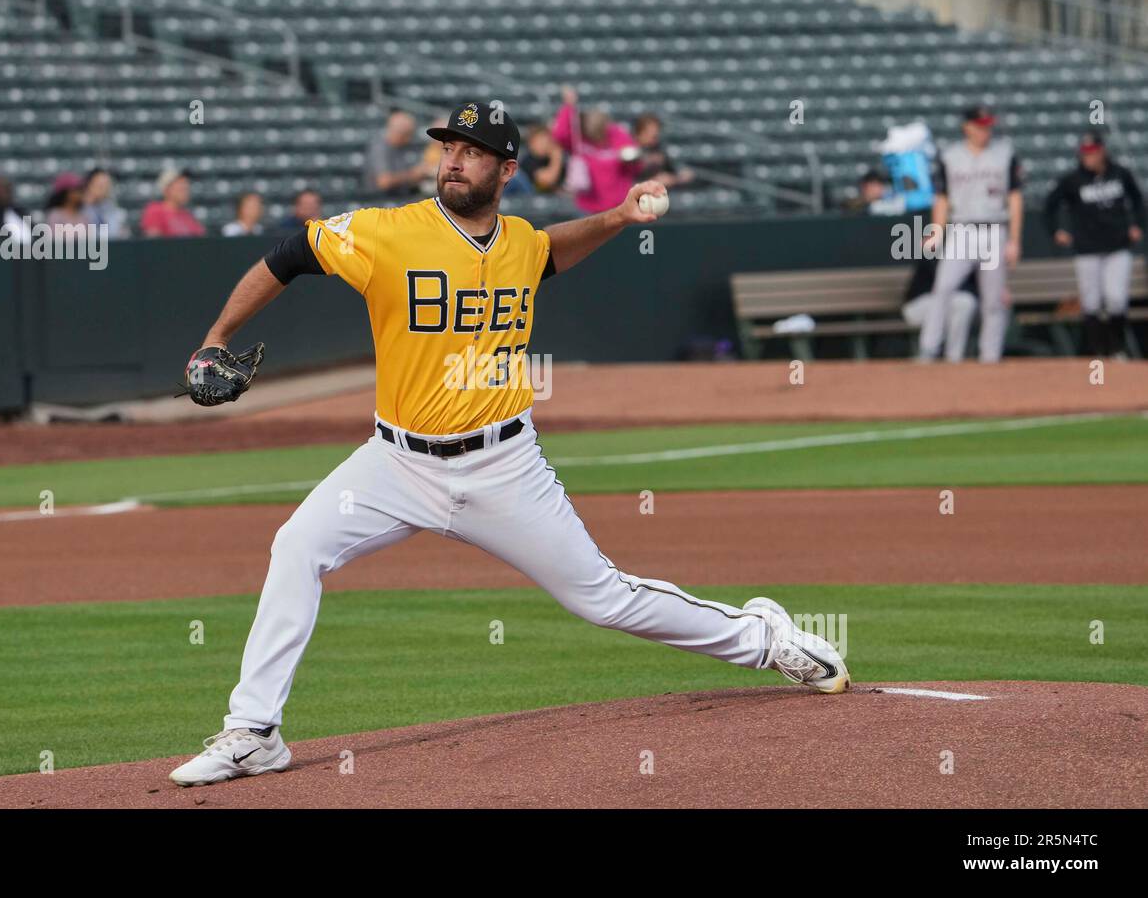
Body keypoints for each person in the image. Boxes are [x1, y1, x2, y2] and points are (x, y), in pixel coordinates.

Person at [167, 101, 849, 787]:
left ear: (507, 169)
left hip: (502, 466)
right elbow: (289, 254)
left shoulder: (519, 241)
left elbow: (551, 251)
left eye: (471, 150)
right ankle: (254, 731)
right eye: (448, 147)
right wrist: (217, 337)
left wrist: (617, 216)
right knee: (297, 546)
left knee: (603, 599)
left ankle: (765, 638)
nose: (453, 160)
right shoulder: (387, 232)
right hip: (394, 461)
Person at [918, 105, 1024, 363]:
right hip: (962, 230)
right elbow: (941, 198)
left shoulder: (1005, 154)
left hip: (993, 230)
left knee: (993, 300)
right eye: (979, 125)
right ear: (967, 126)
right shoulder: (950, 156)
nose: (984, 130)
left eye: (988, 125)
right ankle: (928, 350)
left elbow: (1015, 198)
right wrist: (936, 232)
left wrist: (1014, 240)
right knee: (943, 288)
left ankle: (990, 356)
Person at [1043, 130, 1145, 359]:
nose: (1089, 157)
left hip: (1118, 247)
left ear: (1102, 151)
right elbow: (1050, 206)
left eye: (1093, 152)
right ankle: (1099, 352)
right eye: (1085, 153)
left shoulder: (1120, 173)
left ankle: (1117, 349)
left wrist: (1138, 225)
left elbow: (1138, 200)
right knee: (1091, 302)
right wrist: (1056, 231)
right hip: (1087, 249)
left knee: (1116, 298)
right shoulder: (1073, 179)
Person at [551, 85, 641, 214]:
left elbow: (635, 165)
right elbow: (559, 135)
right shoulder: (580, 139)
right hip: (587, 208)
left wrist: (629, 160)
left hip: (618, 207)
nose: (595, 136)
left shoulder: (618, 135)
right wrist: (569, 106)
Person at [901, 254, 978, 362]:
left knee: (965, 303)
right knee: (940, 303)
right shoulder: (933, 254)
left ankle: (953, 357)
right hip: (917, 306)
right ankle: (927, 352)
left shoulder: (966, 257)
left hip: (950, 307)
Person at [363, 111, 432, 197]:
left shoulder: (403, 147)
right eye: (406, 135)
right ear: (396, 132)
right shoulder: (380, 148)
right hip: (380, 200)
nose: (409, 139)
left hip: (403, 196)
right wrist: (412, 174)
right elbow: (384, 182)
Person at [632, 113, 694, 188]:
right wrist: (654, 181)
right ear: (639, 134)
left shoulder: (659, 149)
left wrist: (676, 178)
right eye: (652, 135)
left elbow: (677, 171)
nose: (655, 138)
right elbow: (625, 184)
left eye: (656, 134)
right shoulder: (629, 153)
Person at [140, 167, 206, 238]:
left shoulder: (187, 215)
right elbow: (154, 244)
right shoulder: (155, 211)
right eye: (180, 185)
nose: (186, 188)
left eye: (186, 184)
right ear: (166, 189)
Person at [80, 168, 128, 237]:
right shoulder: (79, 207)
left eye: (107, 185)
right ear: (89, 185)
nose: (105, 189)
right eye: (101, 186)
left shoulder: (109, 206)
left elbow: (115, 232)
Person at [518, 125, 565, 194]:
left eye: (548, 141)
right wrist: (557, 156)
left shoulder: (548, 158)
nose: (546, 145)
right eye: (541, 141)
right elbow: (548, 180)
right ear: (531, 143)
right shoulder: (527, 161)